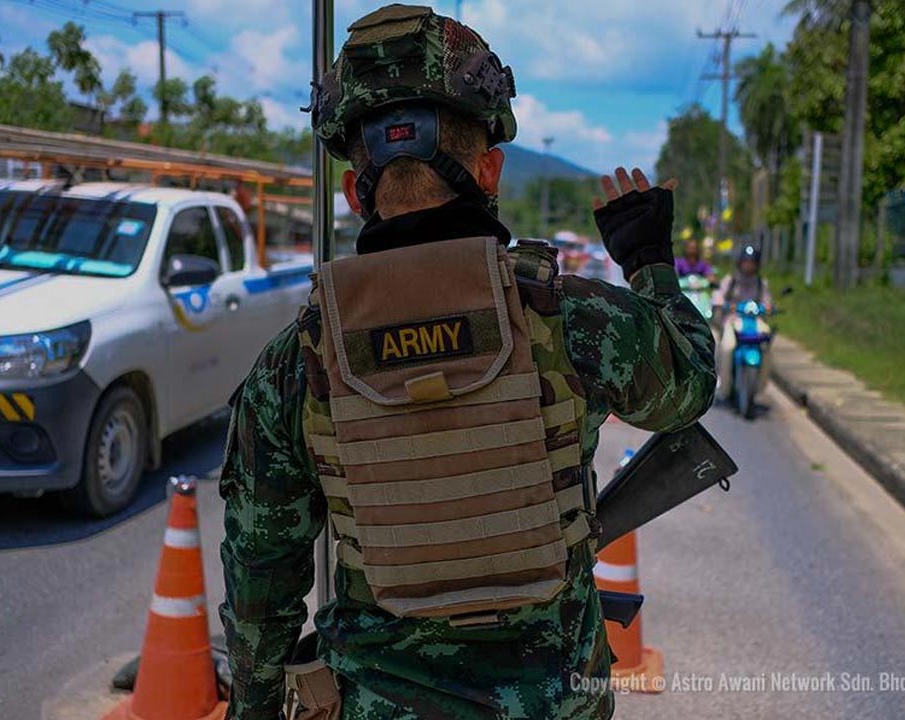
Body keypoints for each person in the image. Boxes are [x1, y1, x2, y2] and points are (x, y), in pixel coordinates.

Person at [217, 5, 716, 719]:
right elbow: (689, 386)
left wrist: (256, 709)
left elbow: (261, 575)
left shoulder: (298, 363)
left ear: (356, 193)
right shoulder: (573, 320)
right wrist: (648, 263)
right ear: (491, 171)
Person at [715, 243, 773, 401]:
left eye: (752, 262)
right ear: (740, 262)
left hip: (755, 322)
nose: (749, 265)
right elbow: (719, 296)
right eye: (746, 262)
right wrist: (721, 303)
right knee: (727, 346)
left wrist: (768, 308)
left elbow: (767, 301)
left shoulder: (761, 283)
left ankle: (760, 387)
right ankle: (724, 388)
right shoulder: (731, 280)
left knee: (767, 343)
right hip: (733, 321)